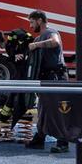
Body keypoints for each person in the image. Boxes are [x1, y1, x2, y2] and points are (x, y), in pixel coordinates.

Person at [23, 10, 70, 154]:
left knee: (58, 110)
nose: (31, 26)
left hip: (56, 77)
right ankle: (39, 139)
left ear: (39, 20)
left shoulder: (51, 32)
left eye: (32, 22)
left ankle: (63, 142)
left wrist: (37, 45)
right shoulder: (38, 38)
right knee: (43, 109)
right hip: (46, 77)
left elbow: (55, 42)